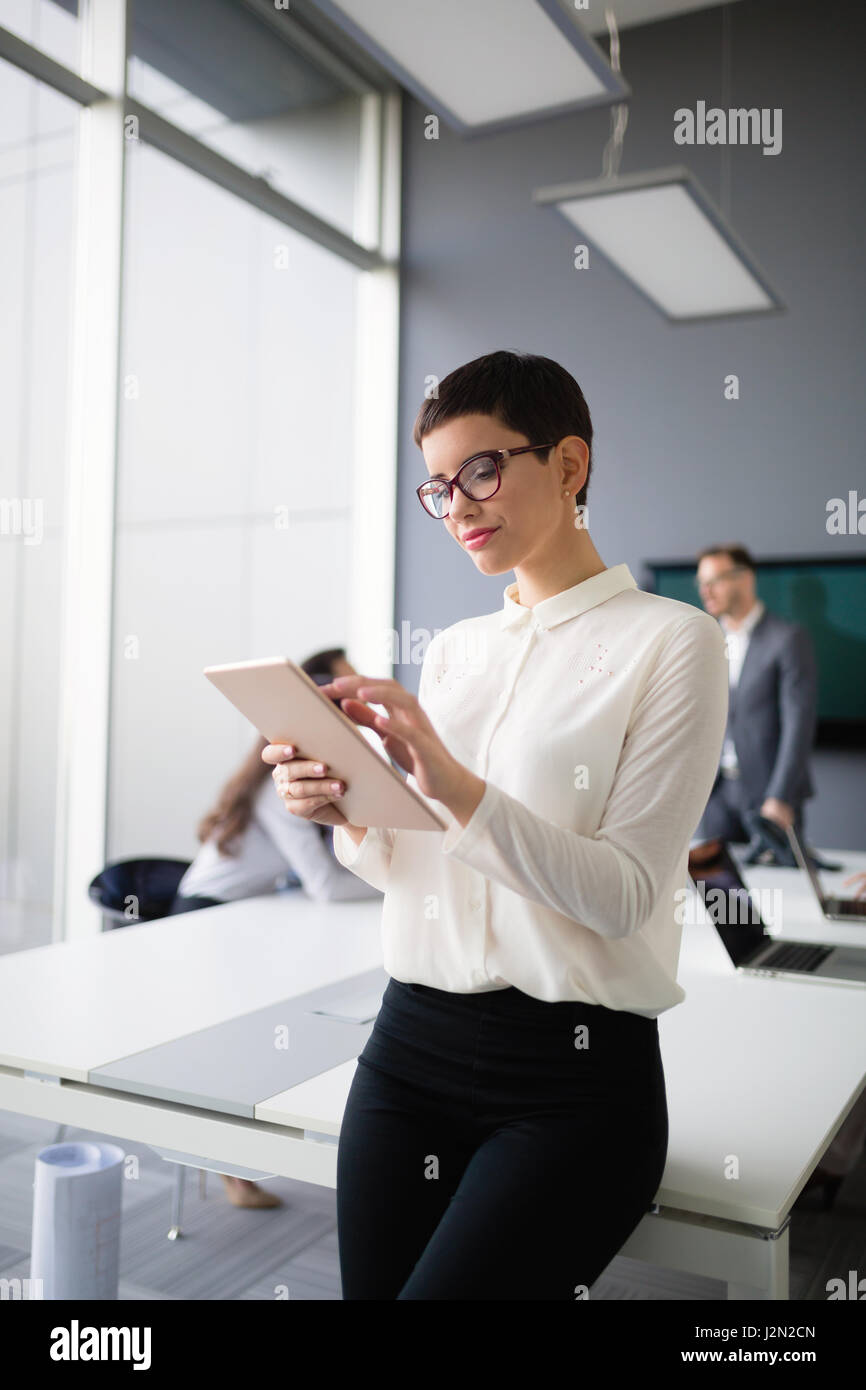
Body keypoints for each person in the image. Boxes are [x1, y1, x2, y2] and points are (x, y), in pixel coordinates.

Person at [264, 349, 730, 1299]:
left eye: (483, 469)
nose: (460, 505)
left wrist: (455, 783)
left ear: (568, 466)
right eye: (440, 486)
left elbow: (625, 895)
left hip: (571, 1081)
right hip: (407, 1050)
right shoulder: (458, 652)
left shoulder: (673, 642)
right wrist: (346, 808)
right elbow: (420, 871)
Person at [170, 647, 382, 1210]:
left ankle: (244, 1157)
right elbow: (327, 884)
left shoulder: (310, 774)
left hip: (248, 913)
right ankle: (229, 1168)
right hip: (206, 917)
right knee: (240, 1037)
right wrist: (398, 877)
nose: (352, 704)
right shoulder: (276, 784)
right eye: (340, 693)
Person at [693, 546, 818, 846]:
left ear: (745, 579)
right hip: (716, 795)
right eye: (701, 582)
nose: (706, 590)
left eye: (715, 580)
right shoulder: (703, 640)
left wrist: (780, 796)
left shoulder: (787, 638)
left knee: (779, 889)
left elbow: (798, 725)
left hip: (769, 797)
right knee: (719, 888)